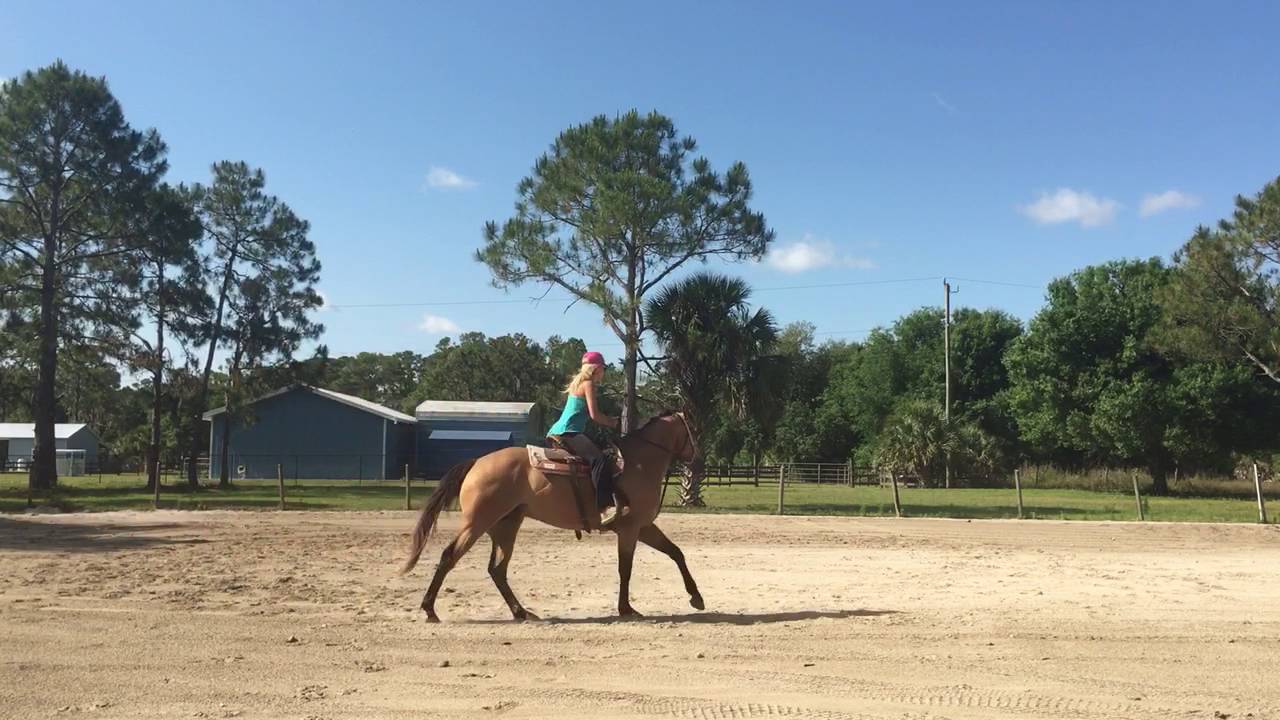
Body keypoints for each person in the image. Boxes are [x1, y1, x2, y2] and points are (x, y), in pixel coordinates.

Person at [546, 351, 627, 527]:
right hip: (569, 432)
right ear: (596, 369)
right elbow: (595, 415)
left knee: (599, 455)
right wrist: (614, 423)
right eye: (603, 368)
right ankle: (604, 507)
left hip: (561, 430)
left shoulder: (579, 383)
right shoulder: (588, 384)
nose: (603, 372)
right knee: (599, 460)